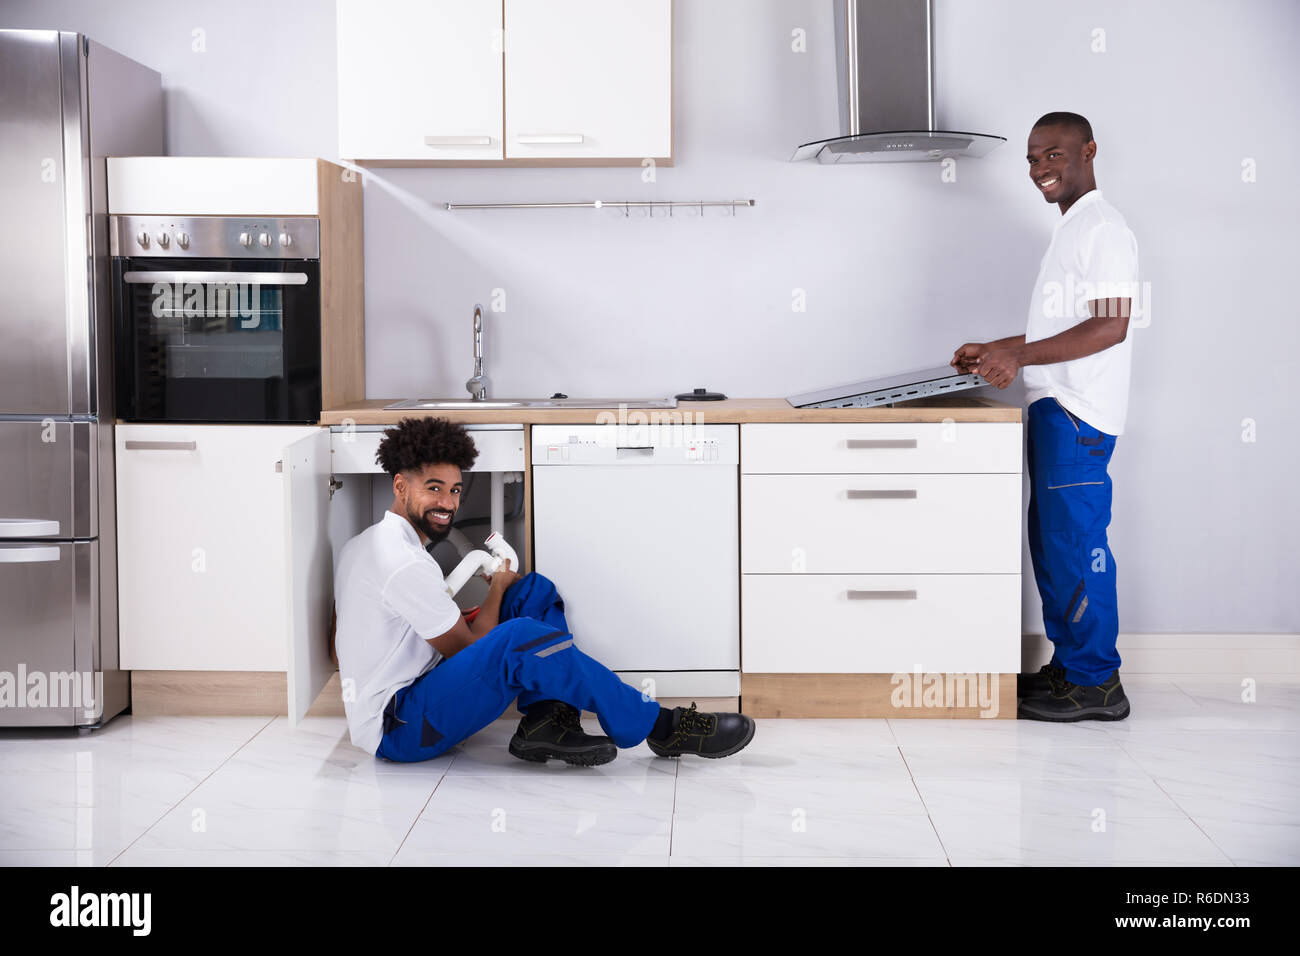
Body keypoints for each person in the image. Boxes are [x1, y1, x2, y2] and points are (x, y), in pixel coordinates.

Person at [332, 416, 757, 764]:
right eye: (434, 489)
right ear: (400, 485)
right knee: (517, 636)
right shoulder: (401, 561)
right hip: (402, 728)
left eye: (455, 489)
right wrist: (495, 591)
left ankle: (547, 721)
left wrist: (498, 597)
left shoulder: (375, 542)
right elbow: (466, 653)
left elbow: (396, 635)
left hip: (422, 690)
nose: (447, 502)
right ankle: (661, 727)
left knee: (533, 591)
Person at [951, 111, 1138, 722]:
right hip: (1057, 405)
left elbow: (1112, 325)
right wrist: (998, 346)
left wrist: (1019, 354)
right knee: (1053, 546)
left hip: (1079, 413)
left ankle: (1096, 684)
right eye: (1032, 159)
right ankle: (1069, 669)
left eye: (1052, 156)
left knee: (1075, 544)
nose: (1039, 170)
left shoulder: (1104, 229)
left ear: (1088, 150)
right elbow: (1067, 325)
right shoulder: (1072, 229)